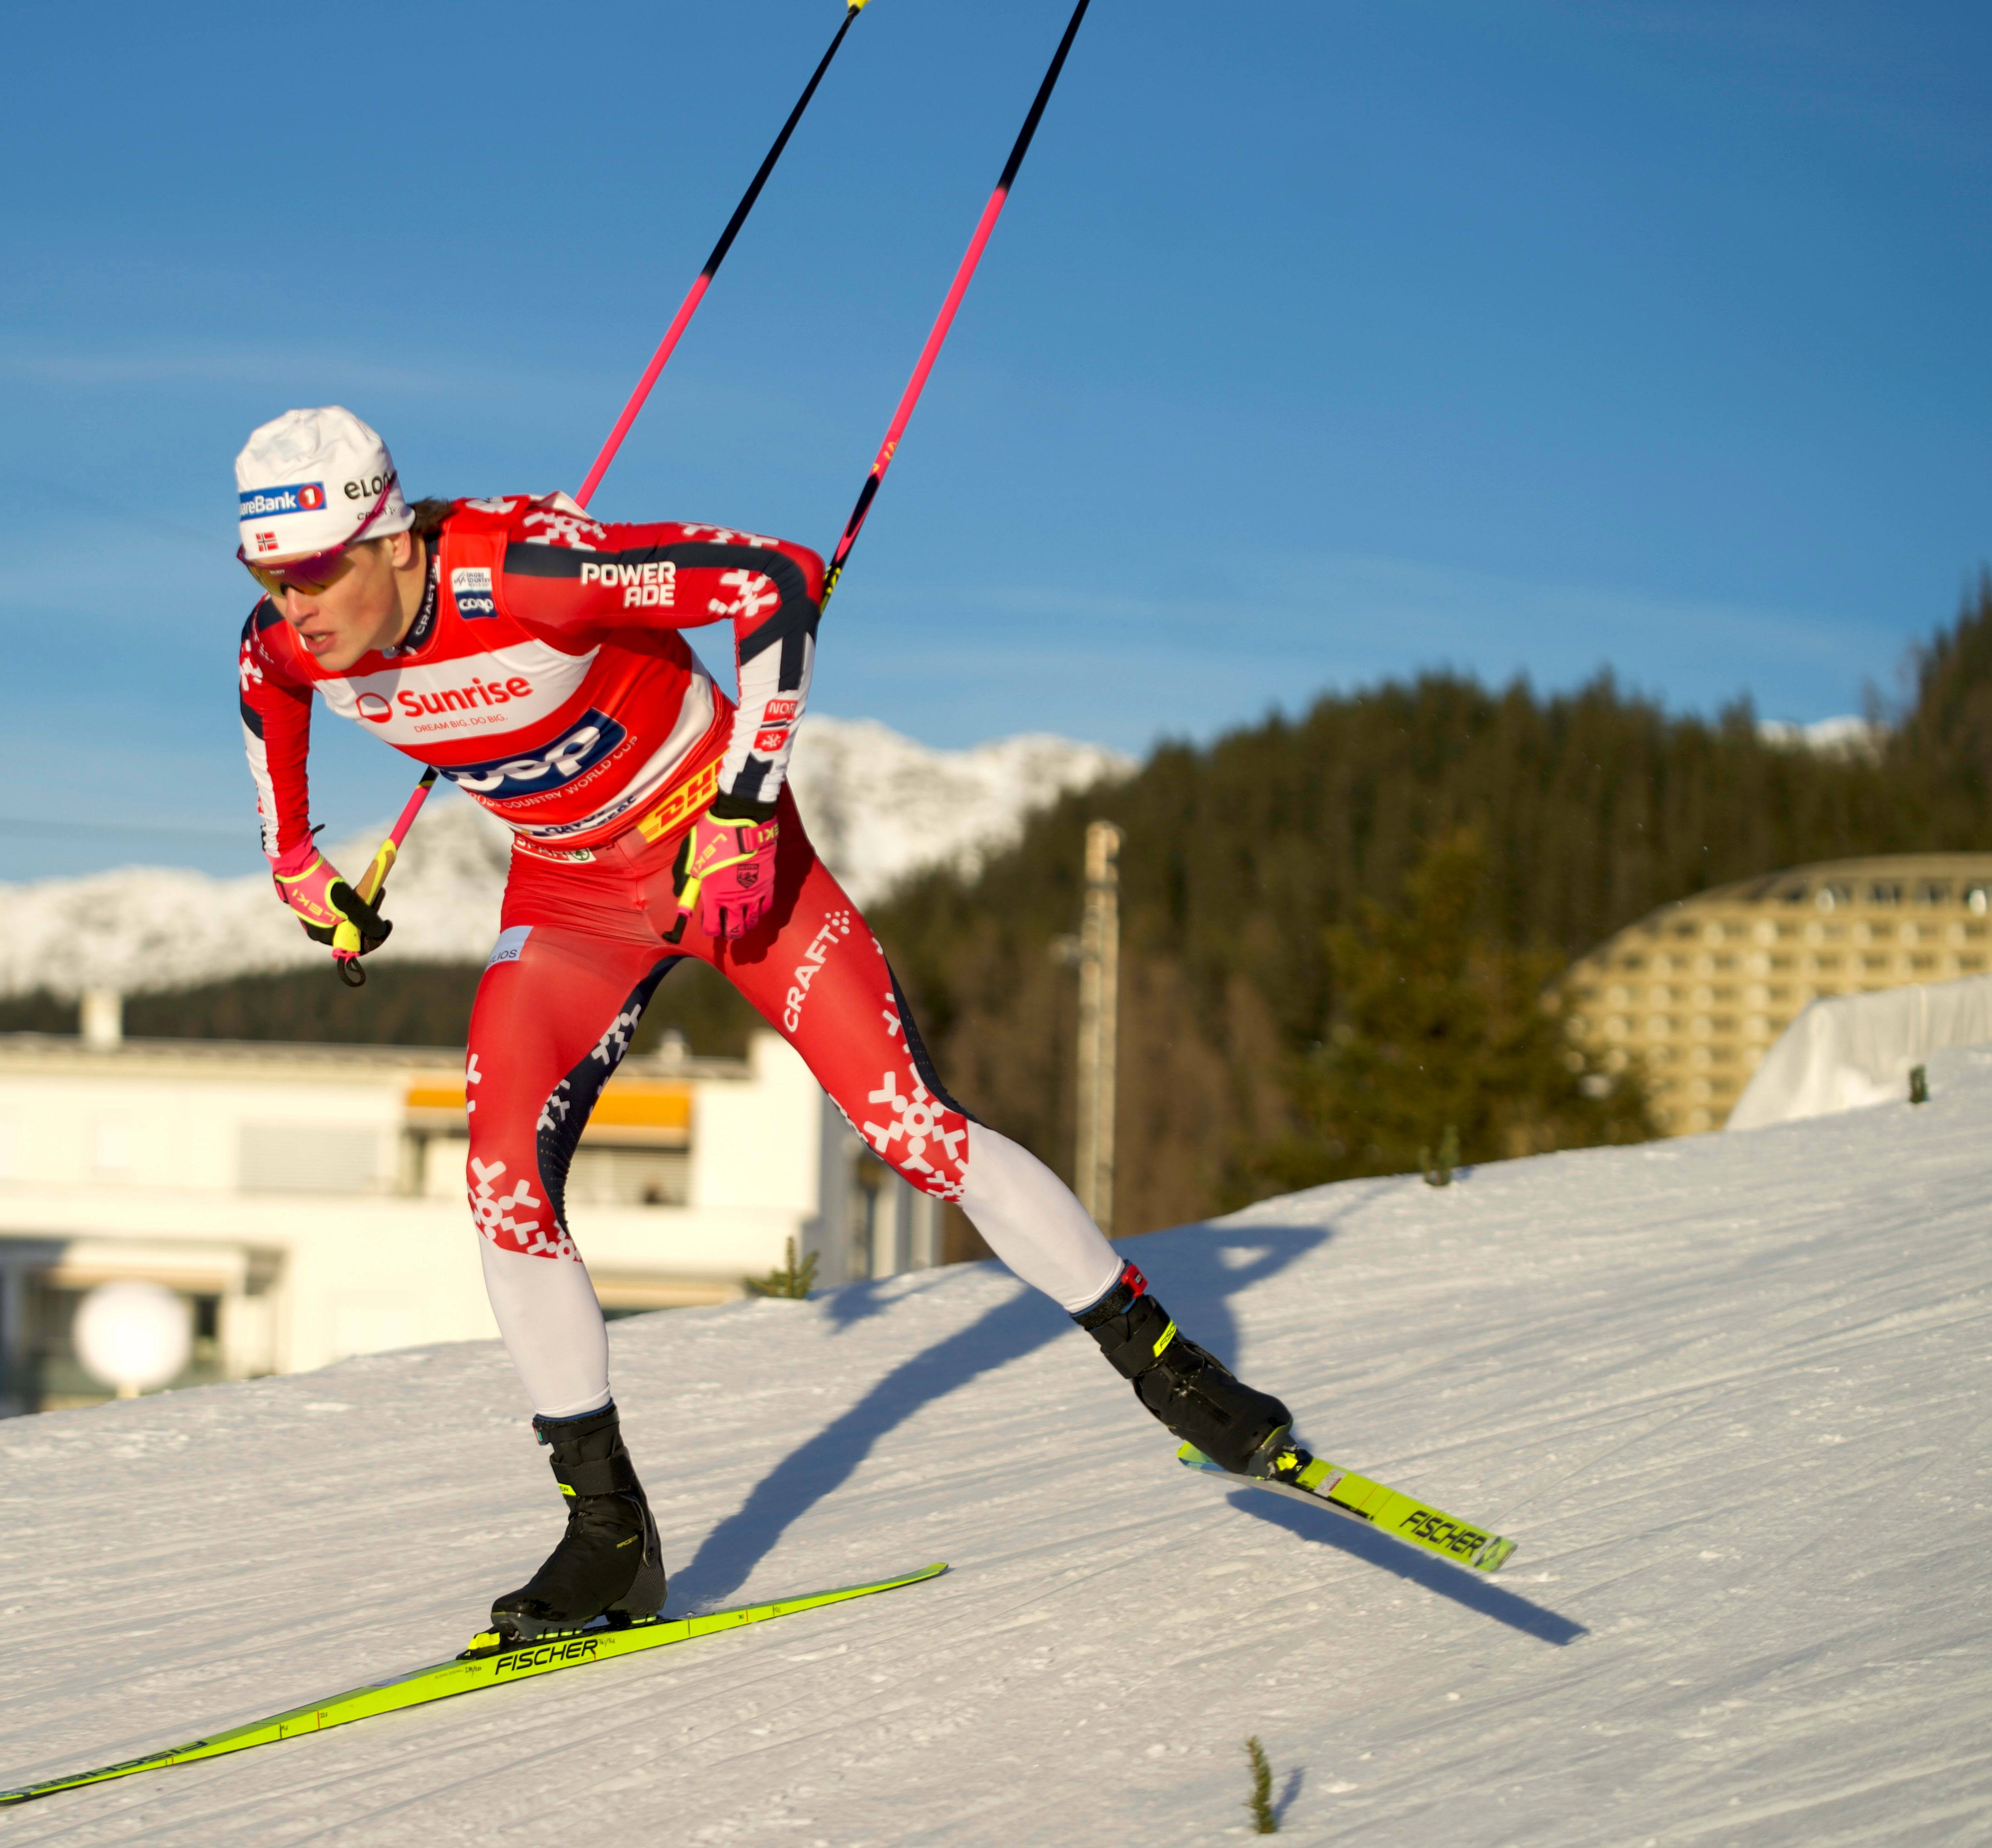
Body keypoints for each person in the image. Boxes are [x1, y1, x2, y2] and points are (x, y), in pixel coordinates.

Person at [232, 406, 1294, 1642]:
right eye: (268, 572)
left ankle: (1173, 1371)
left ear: (396, 540)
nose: (293, 603)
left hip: (728, 867)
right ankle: (607, 1534)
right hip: (573, 899)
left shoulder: (525, 572)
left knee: (914, 1132)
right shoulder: (292, 646)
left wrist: (747, 800)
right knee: (501, 1184)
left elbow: (774, 581)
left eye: (315, 568)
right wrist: (302, 876)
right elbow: (267, 717)